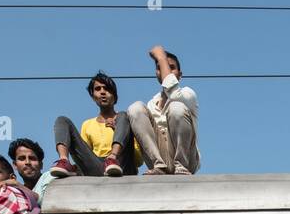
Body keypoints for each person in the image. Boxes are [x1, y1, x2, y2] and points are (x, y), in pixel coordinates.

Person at [115, 45, 199, 175]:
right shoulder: (152, 104)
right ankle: (159, 165)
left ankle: (181, 165)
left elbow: (173, 92)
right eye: (161, 67)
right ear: (156, 73)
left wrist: (161, 56)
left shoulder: (187, 94)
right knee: (135, 108)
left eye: (172, 67)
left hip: (187, 160)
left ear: (180, 75)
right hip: (160, 159)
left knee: (176, 107)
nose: (167, 70)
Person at [49, 72, 143, 178]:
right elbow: (84, 156)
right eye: (98, 89)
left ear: (115, 96)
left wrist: (120, 131)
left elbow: (138, 161)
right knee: (62, 120)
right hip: (99, 168)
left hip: (122, 165)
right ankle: (64, 160)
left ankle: (113, 157)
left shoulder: (125, 120)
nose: (102, 92)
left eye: (107, 88)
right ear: (93, 96)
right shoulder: (87, 125)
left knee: (123, 114)